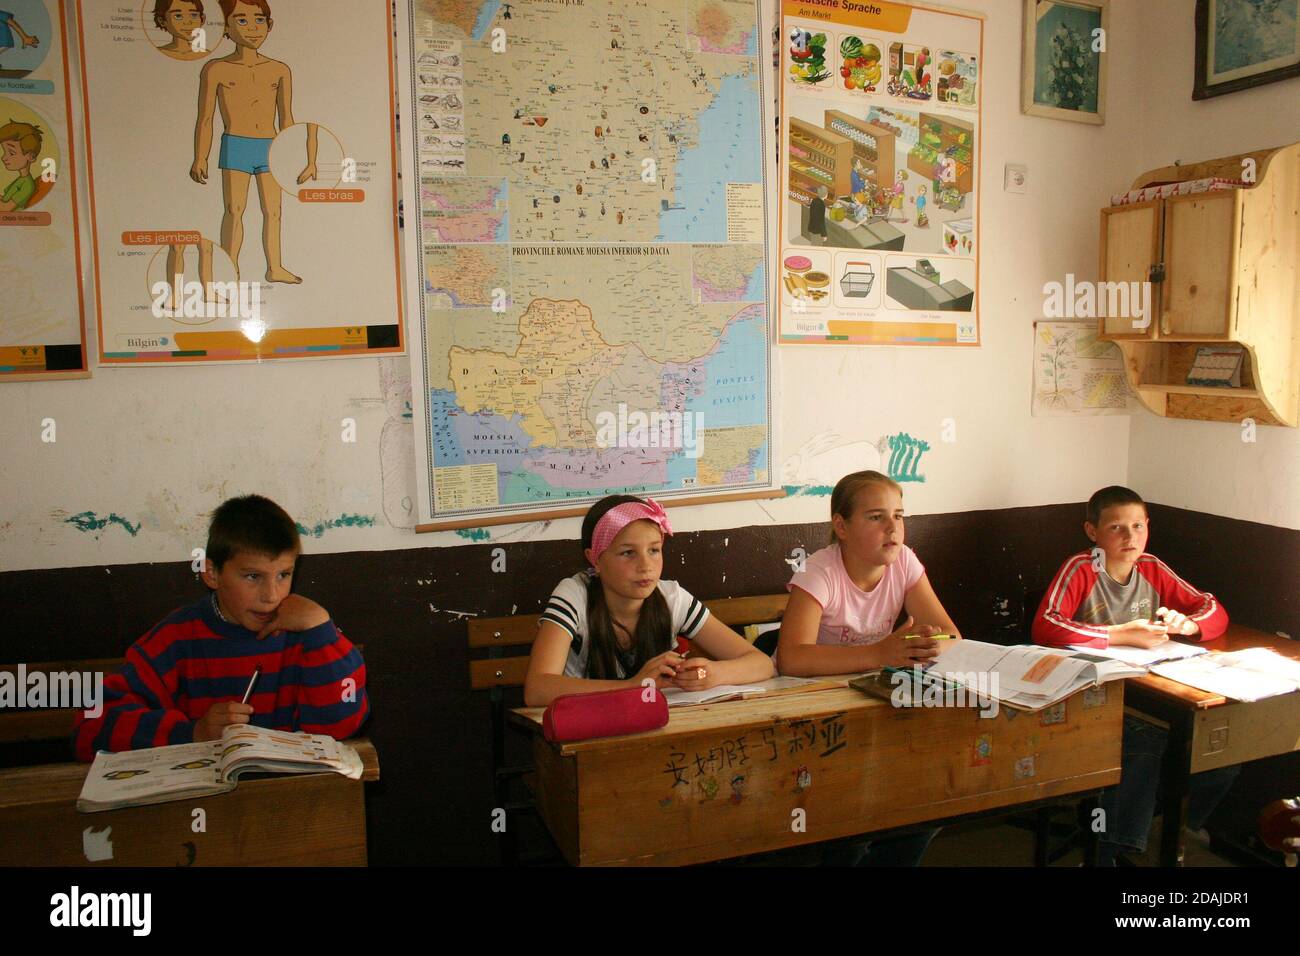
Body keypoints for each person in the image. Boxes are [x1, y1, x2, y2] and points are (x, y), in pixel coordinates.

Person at [72, 494, 369, 760]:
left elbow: (341, 724)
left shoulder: (308, 636)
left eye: (283, 574)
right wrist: (192, 733)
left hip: (287, 804)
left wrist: (321, 628)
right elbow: (90, 726)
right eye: (253, 576)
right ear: (212, 573)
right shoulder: (177, 639)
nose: (271, 596)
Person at [1033, 485, 1238, 864]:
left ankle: (1170, 826)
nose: (1130, 538)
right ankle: (1109, 850)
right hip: (1091, 694)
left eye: (1138, 526)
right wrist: (1119, 634)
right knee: (1143, 741)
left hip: (1150, 687)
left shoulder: (1152, 568)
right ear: (1092, 532)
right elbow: (1046, 626)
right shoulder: (1082, 568)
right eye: (1116, 528)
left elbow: (1212, 608)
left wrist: (1188, 625)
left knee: (1224, 740)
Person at [778, 470, 961, 865]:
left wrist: (922, 642)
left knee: (923, 809)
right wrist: (881, 653)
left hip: (873, 700)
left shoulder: (904, 562)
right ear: (840, 526)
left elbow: (951, 636)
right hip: (815, 708)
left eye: (899, 515)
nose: (892, 528)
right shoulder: (819, 571)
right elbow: (792, 657)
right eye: (876, 517)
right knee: (848, 825)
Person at [524, 495, 774, 707]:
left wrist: (712, 674)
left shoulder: (672, 598)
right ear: (595, 560)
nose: (645, 566)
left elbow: (762, 664)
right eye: (627, 553)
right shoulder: (574, 595)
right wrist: (632, 686)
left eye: (654, 550)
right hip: (587, 736)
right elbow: (537, 689)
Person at [191, 0, 318, 284]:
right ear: (226, 27)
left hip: (270, 145)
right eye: (241, 20)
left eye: (259, 20)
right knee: (234, 210)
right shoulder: (216, 69)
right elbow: (206, 118)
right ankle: (230, 267)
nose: (252, 28)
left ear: (269, 25)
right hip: (236, 143)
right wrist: (201, 156)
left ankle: (275, 267)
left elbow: (287, 118)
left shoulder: (279, 69)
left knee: (273, 211)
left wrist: (297, 158)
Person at [0, 119, 40, 212]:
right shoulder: (21, 180)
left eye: (11, 153)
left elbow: (6, 208)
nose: (3, 157)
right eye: (4, 152)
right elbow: (4, 200)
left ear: (31, 156)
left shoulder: (28, 185)